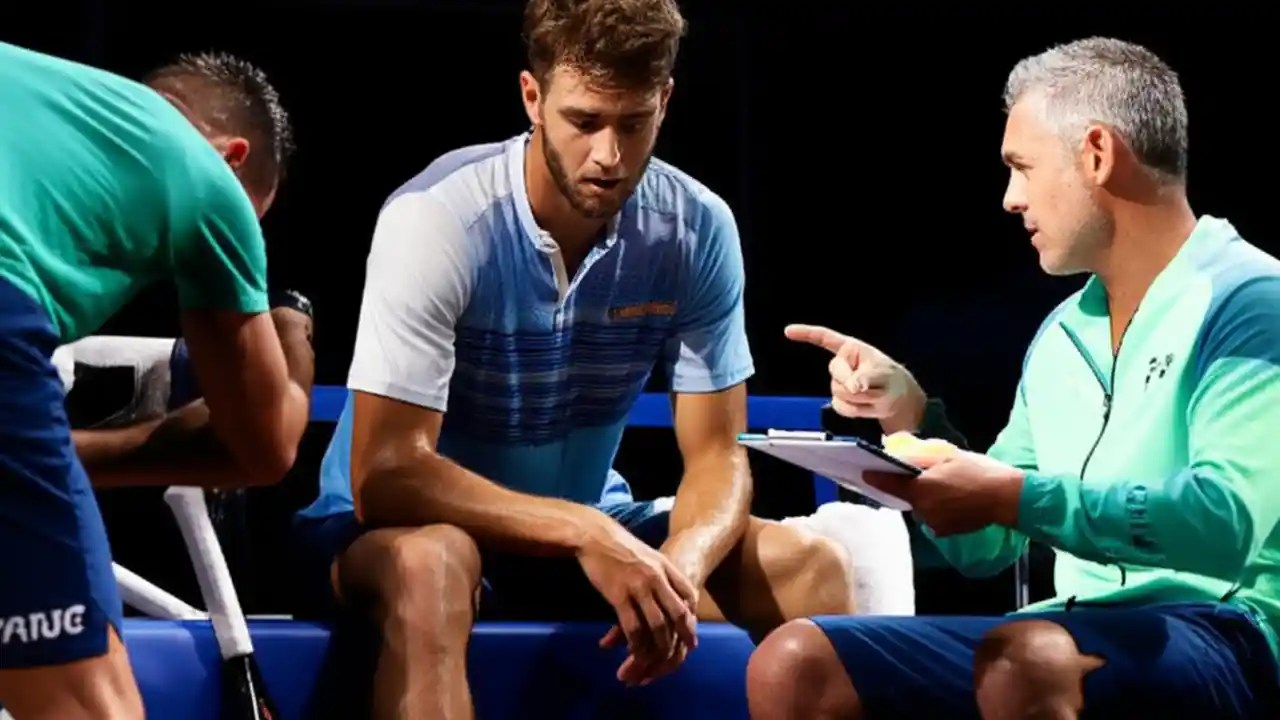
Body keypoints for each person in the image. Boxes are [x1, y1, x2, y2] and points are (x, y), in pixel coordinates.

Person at [292, 0, 853, 717]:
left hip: (584, 534)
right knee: (433, 563)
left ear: (666, 101)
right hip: (385, 538)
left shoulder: (697, 227)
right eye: (584, 121)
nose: (609, 156)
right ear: (532, 97)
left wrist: (676, 573)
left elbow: (717, 456)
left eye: (634, 122)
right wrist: (584, 530)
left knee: (814, 569)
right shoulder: (437, 220)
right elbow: (388, 475)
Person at [746, 36, 1280, 720]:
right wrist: (909, 427)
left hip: (1228, 634)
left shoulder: (1249, 301)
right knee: (798, 663)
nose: (1009, 198)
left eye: (1022, 168)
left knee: (1026, 659)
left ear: (1096, 154)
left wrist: (1017, 497)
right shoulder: (1061, 335)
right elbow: (985, 549)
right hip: (1066, 627)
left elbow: (1223, 524)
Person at [0, 44, 310, 720]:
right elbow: (264, 447)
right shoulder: (202, 174)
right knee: (89, 705)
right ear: (231, 158)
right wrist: (292, 326)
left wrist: (56, 456)